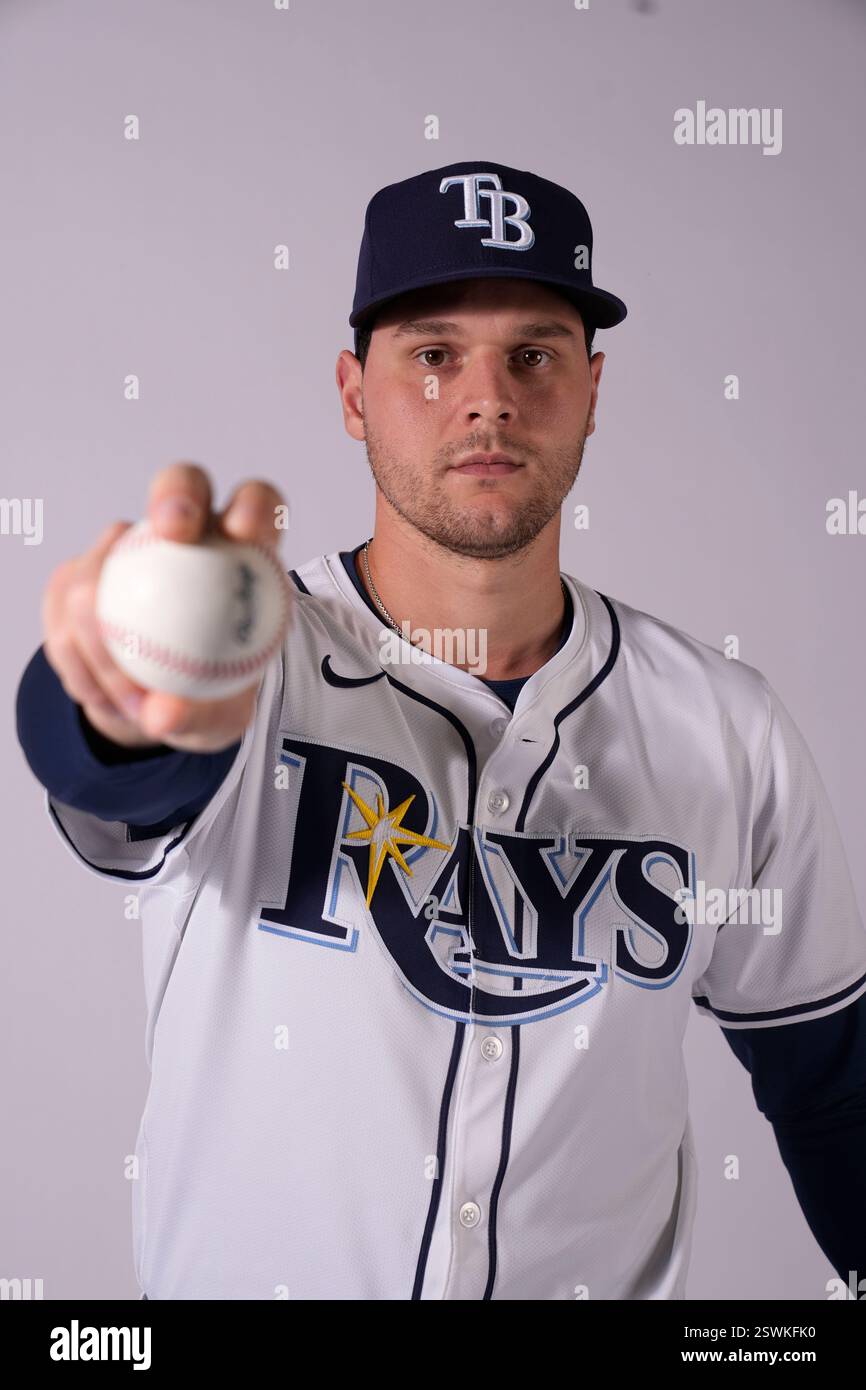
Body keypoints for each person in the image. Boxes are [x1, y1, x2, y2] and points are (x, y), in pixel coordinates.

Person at [16, 161, 866, 1300]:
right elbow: (107, 759)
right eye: (431, 353)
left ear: (592, 387)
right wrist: (123, 700)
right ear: (352, 391)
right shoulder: (252, 667)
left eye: (533, 353)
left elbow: (832, 1086)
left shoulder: (725, 730)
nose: (488, 398)